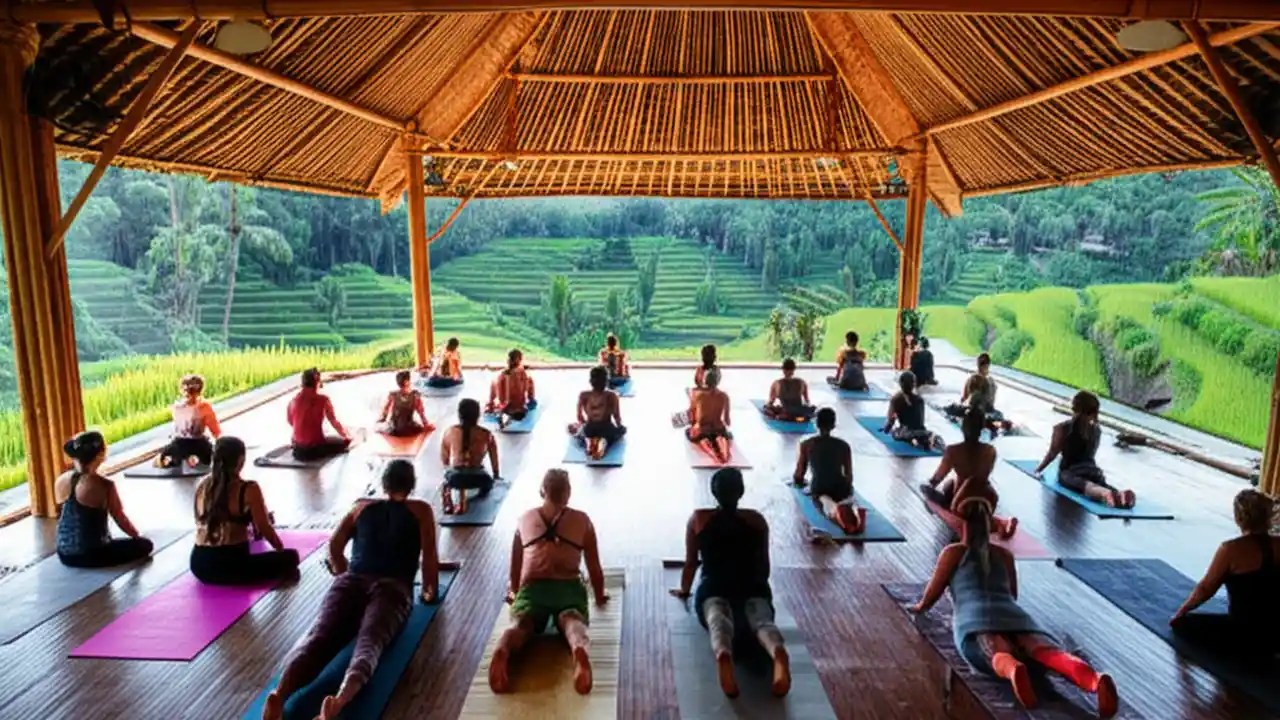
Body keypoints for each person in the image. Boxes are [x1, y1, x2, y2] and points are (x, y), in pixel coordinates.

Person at [261, 460, 439, 720]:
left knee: (319, 637)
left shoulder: (360, 508)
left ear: (384, 483)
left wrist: (343, 573)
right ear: (411, 485)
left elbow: (333, 546)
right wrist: (429, 592)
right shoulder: (421, 510)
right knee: (370, 643)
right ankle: (339, 700)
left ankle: (279, 694)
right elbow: (430, 556)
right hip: (392, 588)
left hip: (351, 581)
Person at [910, 500, 1119, 717]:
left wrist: (918, 607)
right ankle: (1094, 680)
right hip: (1016, 617)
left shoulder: (952, 553)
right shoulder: (1004, 555)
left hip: (975, 620)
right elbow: (1012, 594)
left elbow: (930, 596)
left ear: (961, 524)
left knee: (995, 653)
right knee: (1048, 653)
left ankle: (1012, 669)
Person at [670, 468, 791, 699]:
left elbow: (691, 563)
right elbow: (764, 567)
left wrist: (685, 590)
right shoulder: (757, 520)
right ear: (741, 492)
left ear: (714, 493)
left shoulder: (698, 519)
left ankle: (723, 653)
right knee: (762, 621)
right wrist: (759, 589)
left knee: (717, 618)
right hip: (752, 586)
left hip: (714, 585)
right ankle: (777, 651)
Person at [489, 469, 608, 695]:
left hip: (534, 589)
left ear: (542, 491)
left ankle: (504, 647)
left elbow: (515, 569)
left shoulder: (524, 520)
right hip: (568, 587)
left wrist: (515, 593)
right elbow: (594, 568)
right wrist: (600, 595)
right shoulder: (582, 521)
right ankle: (578, 649)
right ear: (568, 494)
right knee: (572, 621)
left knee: (522, 625)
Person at [1170, 489, 1280, 658]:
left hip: (1242, 633)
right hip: (1275, 631)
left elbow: (1206, 588)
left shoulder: (1230, 549)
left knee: (1183, 625)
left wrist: (1182, 612)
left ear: (1238, 518)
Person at [190, 437, 300, 585]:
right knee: (291, 557)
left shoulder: (202, 486)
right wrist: (280, 550)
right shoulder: (248, 489)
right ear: (241, 460)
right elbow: (264, 528)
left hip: (199, 565)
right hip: (233, 566)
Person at [55, 431, 154, 568]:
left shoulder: (62, 480)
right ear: (101, 455)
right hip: (92, 554)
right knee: (146, 545)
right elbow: (120, 518)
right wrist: (137, 537)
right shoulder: (104, 485)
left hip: (63, 553)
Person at [924, 408, 1018, 540]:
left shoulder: (953, 450)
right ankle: (1002, 524)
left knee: (940, 492)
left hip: (962, 499)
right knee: (980, 514)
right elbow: (980, 475)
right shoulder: (990, 450)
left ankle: (960, 522)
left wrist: (928, 490)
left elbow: (936, 479)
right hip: (989, 496)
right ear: (981, 429)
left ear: (963, 428)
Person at [1032, 391, 1135, 509]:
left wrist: (1038, 470)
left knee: (1088, 486)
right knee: (1102, 484)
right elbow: (1091, 454)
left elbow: (1052, 454)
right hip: (1093, 470)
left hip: (1070, 471)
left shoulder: (1062, 428)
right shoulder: (1097, 431)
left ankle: (1106, 494)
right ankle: (1119, 494)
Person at [792, 408, 864, 534]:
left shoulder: (807, 444)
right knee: (846, 500)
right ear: (833, 425)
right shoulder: (843, 445)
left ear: (816, 423)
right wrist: (847, 487)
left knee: (826, 501)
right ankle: (855, 516)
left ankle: (838, 515)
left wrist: (798, 481)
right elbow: (849, 476)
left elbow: (799, 474)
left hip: (819, 487)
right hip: (840, 487)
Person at [440, 398, 501, 515]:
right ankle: (471, 498)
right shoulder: (487, 435)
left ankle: (449, 500)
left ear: (459, 415)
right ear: (478, 415)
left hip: (455, 478)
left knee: (448, 480)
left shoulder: (449, 432)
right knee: (487, 484)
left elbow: (445, 461)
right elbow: (494, 461)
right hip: (479, 479)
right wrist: (496, 475)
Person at [288, 368, 352, 461]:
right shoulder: (323, 399)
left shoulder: (293, 401)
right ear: (317, 381)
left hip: (298, 451)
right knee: (344, 442)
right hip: (315, 450)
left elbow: (291, 422)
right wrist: (347, 436)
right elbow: (334, 422)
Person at [158, 374, 221, 468]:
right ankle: (191, 460)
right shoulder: (204, 407)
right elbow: (216, 431)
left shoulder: (176, 406)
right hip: (199, 445)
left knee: (166, 455)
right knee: (211, 458)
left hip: (178, 444)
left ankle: (173, 460)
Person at [570, 366, 626, 460]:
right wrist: (620, 428)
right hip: (607, 429)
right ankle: (601, 443)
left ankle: (590, 442)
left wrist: (582, 426)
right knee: (621, 431)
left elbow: (579, 417)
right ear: (606, 381)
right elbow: (617, 417)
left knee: (574, 429)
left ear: (591, 381)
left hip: (589, 429)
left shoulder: (583, 395)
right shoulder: (612, 395)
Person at [945, 354, 1009, 432]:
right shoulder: (992, 382)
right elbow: (991, 402)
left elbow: (965, 398)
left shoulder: (973, 379)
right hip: (987, 412)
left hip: (975, 412)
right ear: (988, 365)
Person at [882, 371, 943, 451]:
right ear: (914, 384)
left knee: (896, 431)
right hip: (921, 431)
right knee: (929, 435)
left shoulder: (896, 399)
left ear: (900, 383)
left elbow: (890, 420)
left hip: (906, 432)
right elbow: (920, 421)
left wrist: (886, 429)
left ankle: (913, 440)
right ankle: (919, 440)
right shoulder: (919, 399)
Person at [687, 367, 732, 463]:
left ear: (705, 380)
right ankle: (725, 453)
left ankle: (711, 453)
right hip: (718, 427)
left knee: (700, 437)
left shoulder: (699, 395)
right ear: (718, 381)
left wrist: (694, 424)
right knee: (722, 436)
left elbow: (691, 416)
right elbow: (727, 421)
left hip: (703, 428)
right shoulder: (724, 396)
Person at [487, 349, 537, 429]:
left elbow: (500, 399)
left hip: (505, 411)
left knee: (491, 405)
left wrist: (490, 406)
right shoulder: (526, 376)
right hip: (521, 411)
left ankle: (504, 419)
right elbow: (531, 398)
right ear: (520, 360)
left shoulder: (500, 376)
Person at [377, 370, 433, 437]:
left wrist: (381, 421)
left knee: (378, 426)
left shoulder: (392, 395)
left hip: (394, 429)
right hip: (410, 428)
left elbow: (385, 411)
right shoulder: (415, 395)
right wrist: (426, 425)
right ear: (407, 382)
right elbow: (421, 413)